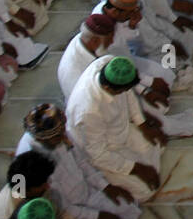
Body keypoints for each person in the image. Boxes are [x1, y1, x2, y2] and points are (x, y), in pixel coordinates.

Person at [65, 55, 166, 202]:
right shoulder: (89, 111)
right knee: (145, 191)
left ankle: (138, 163)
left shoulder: (107, 63)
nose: (126, 91)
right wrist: (137, 168)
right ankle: (108, 178)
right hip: (103, 149)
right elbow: (98, 154)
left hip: (120, 129)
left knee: (157, 143)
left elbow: (128, 92)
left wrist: (142, 124)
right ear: (107, 88)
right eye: (122, 90)